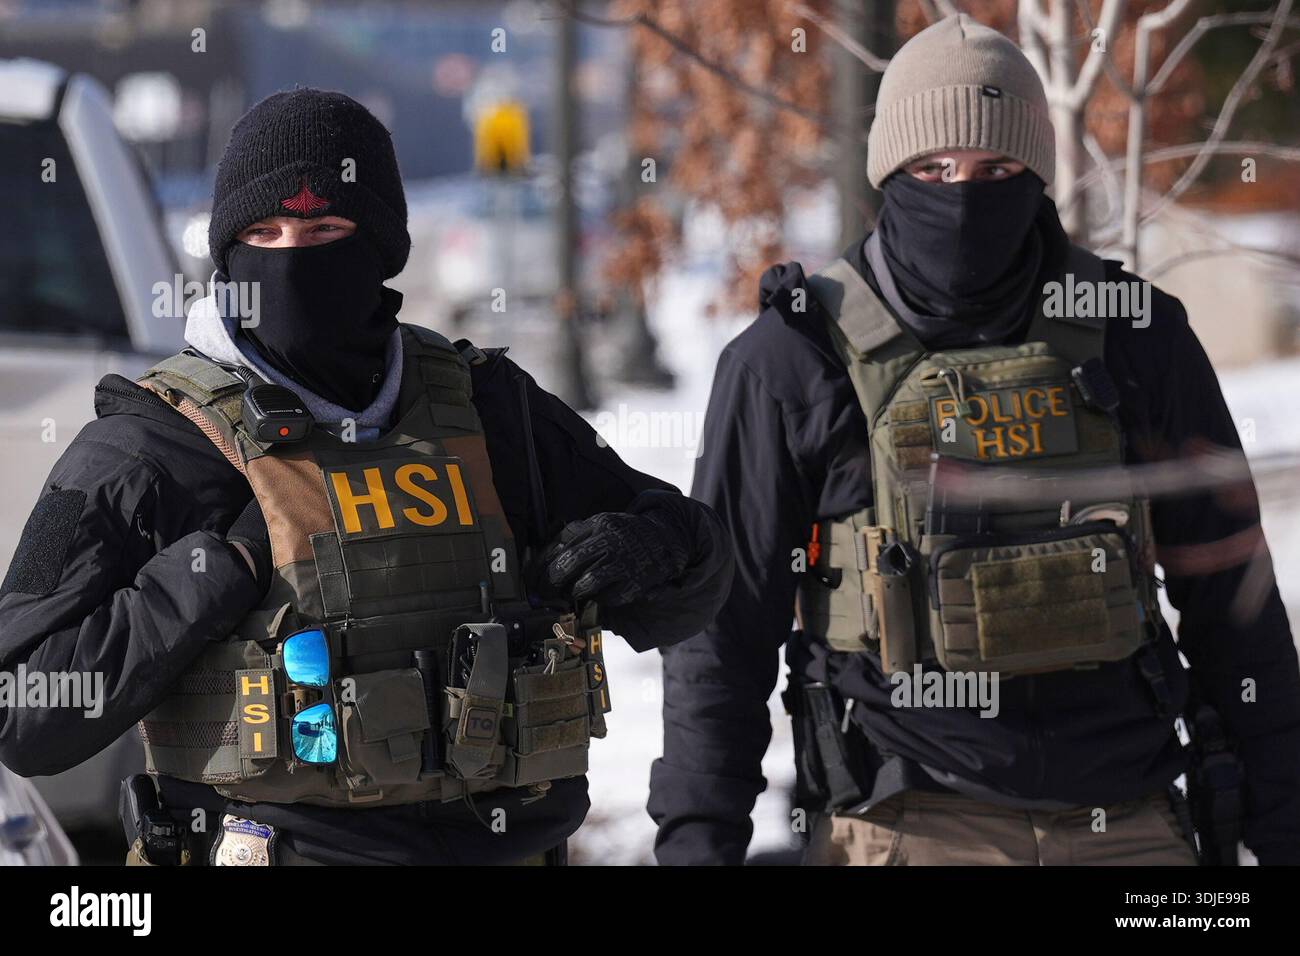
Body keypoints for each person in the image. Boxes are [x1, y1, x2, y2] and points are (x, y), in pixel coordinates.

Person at [0, 89, 734, 865]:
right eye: (264, 232)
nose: (293, 254)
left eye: (323, 229)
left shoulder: (487, 407)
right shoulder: (150, 443)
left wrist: (660, 545)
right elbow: (24, 710)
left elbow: (698, 579)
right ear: (229, 253)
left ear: (378, 243)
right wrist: (213, 571)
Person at [649, 14, 1300, 866]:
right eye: (934, 168)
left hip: (1129, 822)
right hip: (905, 821)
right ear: (891, 174)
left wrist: (1283, 826)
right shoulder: (793, 359)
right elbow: (721, 641)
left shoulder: (1135, 331)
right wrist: (700, 843)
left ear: (1037, 175)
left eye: (997, 169)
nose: (963, 194)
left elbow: (1232, 600)